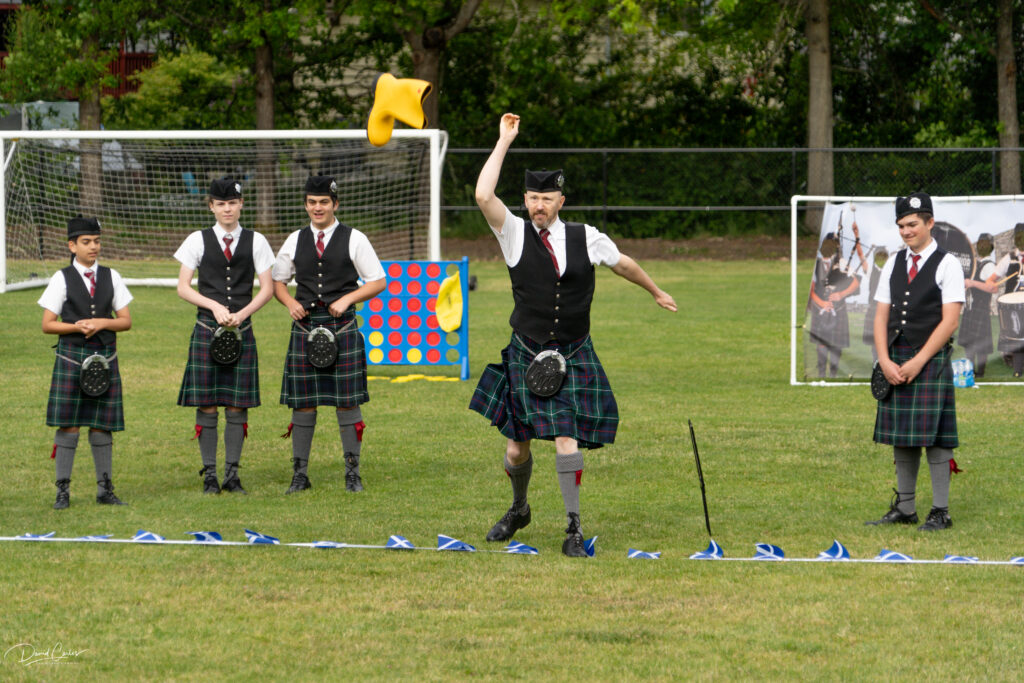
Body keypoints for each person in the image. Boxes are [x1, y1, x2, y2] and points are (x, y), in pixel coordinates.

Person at [469, 113, 677, 557]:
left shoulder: (587, 237)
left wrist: (655, 291)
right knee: (516, 449)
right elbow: (484, 194)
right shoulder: (512, 233)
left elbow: (623, 264)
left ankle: (573, 526)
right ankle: (519, 508)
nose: (538, 206)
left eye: (546, 199)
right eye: (532, 198)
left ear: (561, 200)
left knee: (566, 438)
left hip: (573, 351)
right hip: (526, 351)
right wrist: (504, 141)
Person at [273, 175, 386, 494]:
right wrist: (290, 303)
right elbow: (278, 282)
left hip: (342, 327)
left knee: (347, 403)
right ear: (305, 205)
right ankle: (300, 475)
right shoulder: (294, 239)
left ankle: (352, 474)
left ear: (335, 204)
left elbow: (378, 281)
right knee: (303, 403)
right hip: (305, 328)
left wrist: (348, 299)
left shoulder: (355, 238)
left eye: (324, 202)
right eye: (312, 202)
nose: (317, 208)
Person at [867, 192, 965, 531]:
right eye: (901, 226)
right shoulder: (894, 262)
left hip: (930, 359)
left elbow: (950, 321)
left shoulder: (948, 264)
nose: (906, 231)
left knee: (937, 438)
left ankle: (940, 512)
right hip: (895, 358)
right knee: (902, 435)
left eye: (912, 224)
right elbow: (881, 316)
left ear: (930, 222)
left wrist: (919, 361)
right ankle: (905, 508)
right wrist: (884, 360)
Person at [175, 178, 275, 494]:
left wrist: (242, 314)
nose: (227, 209)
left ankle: (232, 476)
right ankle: (210, 475)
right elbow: (183, 287)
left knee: (236, 405)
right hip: (207, 329)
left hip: (241, 331)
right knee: (206, 404)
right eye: (221, 204)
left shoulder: (257, 241)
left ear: (241, 204)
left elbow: (268, 289)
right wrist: (214, 306)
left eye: (232, 203)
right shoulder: (197, 240)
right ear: (211, 207)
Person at [38, 216, 133, 509]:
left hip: (104, 359)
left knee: (102, 425)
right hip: (71, 358)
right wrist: (77, 327)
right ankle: (62, 492)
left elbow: (126, 321)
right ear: (72, 246)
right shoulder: (61, 278)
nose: (93, 247)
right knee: (69, 425)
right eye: (86, 242)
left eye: (97, 241)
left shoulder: (112, 276)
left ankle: (105, 490)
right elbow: (48, 324)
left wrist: (102, 322)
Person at [807, 228, 860, 378]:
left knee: (836, 343)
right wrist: (821, 303)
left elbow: (856, 282)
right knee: (821, 342)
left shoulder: (842, 263)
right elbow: (811, 289)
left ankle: (833, 374)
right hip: (820, 308)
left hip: (838, 308)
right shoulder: (816, 264)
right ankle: (821, 373)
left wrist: (841, 294)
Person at [959, 233, 997, 377]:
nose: (982, 246)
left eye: (985, 243)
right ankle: (970, 370)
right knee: (969, 341)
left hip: (980, 308)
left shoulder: (990, 266)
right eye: (980, 243)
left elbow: (993, 288)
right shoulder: (977, 264)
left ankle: (980, 372)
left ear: (991, 247)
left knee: (980, 342)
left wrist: (972, 283)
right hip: (971, 307)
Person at [993, 224, 1024, 375]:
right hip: (1013, 307)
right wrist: (990, 285)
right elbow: (992, 279)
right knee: (1015, 333)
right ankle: (1012, 358)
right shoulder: (1009, 259)